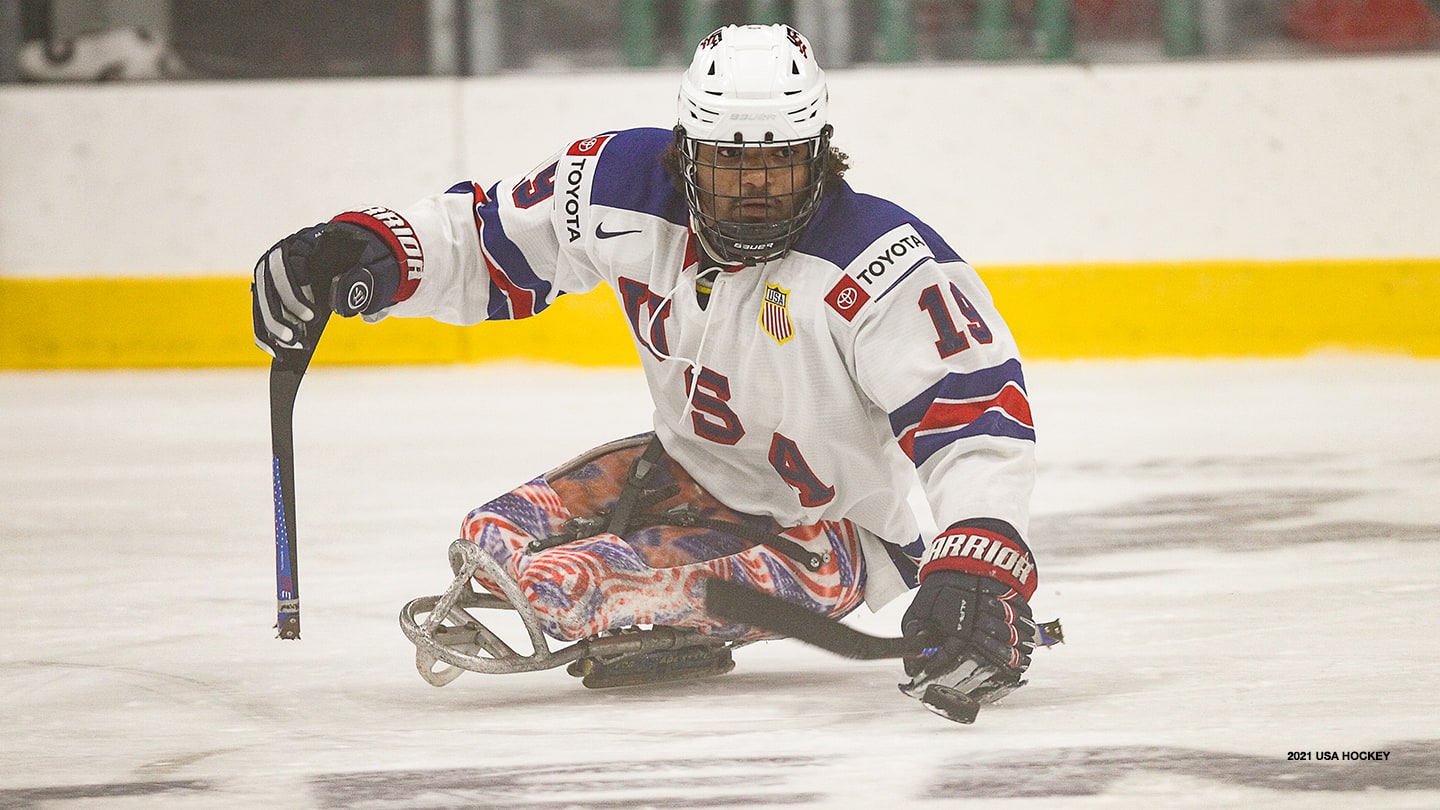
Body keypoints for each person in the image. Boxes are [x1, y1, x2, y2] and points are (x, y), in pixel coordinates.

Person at [252, 23, 1040, 723]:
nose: (757, 189)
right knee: (488, 542)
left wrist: (979, 555)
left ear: (820, 151)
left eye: (779, 163)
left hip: (829, 531)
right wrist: (378, 253)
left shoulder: (879, 261)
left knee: (559, 586)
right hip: (684, 470)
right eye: (731, 162)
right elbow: (493, 246)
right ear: (686, 150)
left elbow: (974, 416)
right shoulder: (617, 185)